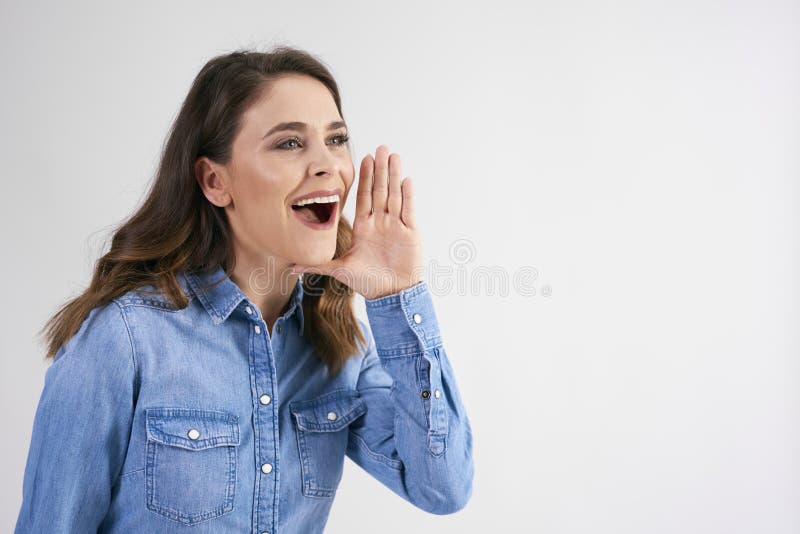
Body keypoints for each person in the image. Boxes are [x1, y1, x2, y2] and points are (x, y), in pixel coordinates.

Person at [15, 46, 474, 533]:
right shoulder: (123, 340)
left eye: (336, 139)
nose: (328, 166)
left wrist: (394, 296)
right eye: (289, 144)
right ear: (215, 181)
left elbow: (441, 488)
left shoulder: (340, 345)